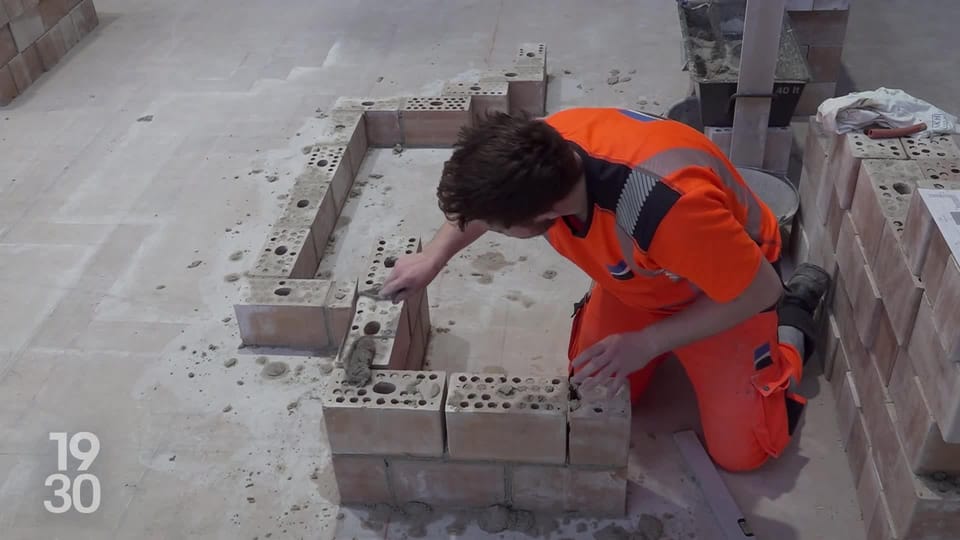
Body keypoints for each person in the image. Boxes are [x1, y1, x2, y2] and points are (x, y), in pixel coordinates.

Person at [379, 107, 830, 472]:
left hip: (724, 288)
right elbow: (486, 203)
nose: (491, 230)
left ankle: (794, 327)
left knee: (742, 455)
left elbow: (757, 290)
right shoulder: (538, 149)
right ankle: (652, 328)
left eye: (500, 228)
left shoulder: (666, 211)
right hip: (642, 278)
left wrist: (649, 342)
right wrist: (433, 256)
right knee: (598, 392)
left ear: (545, 214)